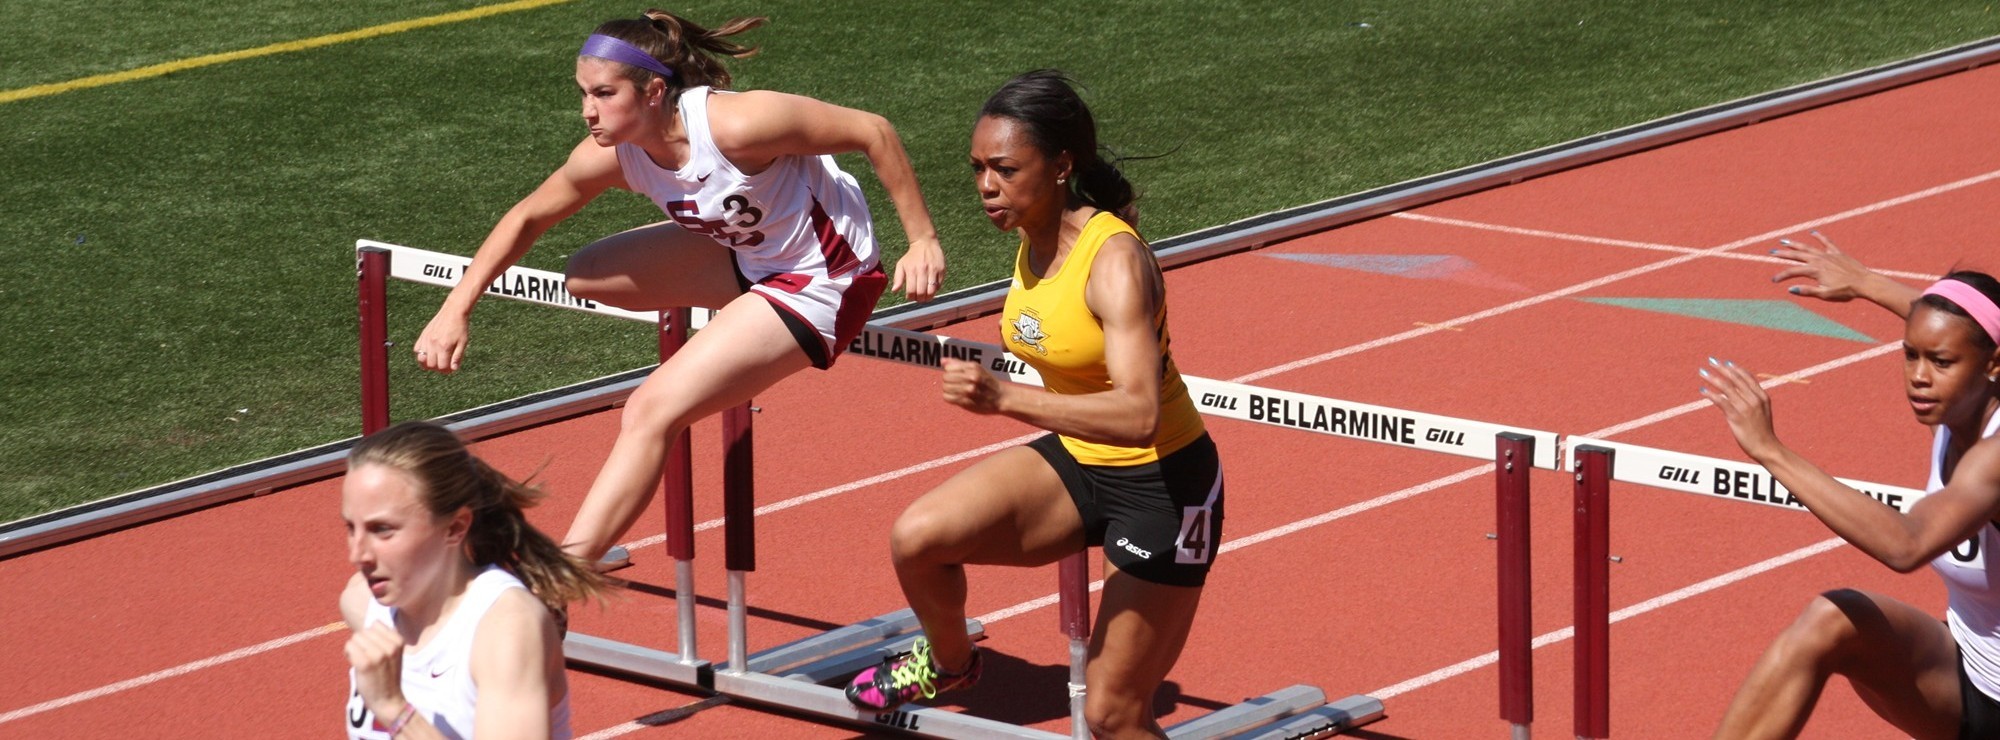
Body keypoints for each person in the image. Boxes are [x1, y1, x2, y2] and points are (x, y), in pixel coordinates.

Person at [410, 10, 946, 566]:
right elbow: (527, 217)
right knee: (585, 273)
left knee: (650, 410)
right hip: (750, 255)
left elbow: (873, 130)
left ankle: (560, 575)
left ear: (653, 92)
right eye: (582, 93)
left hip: (826, 279)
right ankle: (749, 326)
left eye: (602, 93)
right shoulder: (612, 153)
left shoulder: (737, 126)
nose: (587, 111)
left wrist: (923, 239)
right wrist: (456, 308)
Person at [843, 70, 1222, 739]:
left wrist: (1006, 398)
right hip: (1080, 462)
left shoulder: (1114, 264)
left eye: (1006, 168)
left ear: (1061, 165)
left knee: (1112, 716)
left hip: (1165, 486)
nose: (987, 185)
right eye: (978, 168)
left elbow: (1139, 417)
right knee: (920, 538)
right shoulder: (1033, 236)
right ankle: (951, 664)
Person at [1705, 233, 2000, 739]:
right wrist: (1864, 282)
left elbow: (1907, 545)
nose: (1918, 377)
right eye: (1910, 356)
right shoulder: (1956, 406)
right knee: (1830, 619)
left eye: (1940, 363)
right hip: (1967, 674)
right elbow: (1954, 327)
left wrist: (1770, 450)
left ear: (1994, 366)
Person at [341, 421, 604, 739]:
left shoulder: (506, 629)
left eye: (382, 529)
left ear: (454, 528)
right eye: (351, 528)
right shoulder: (362, 602)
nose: (358, 555)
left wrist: (394, 709)